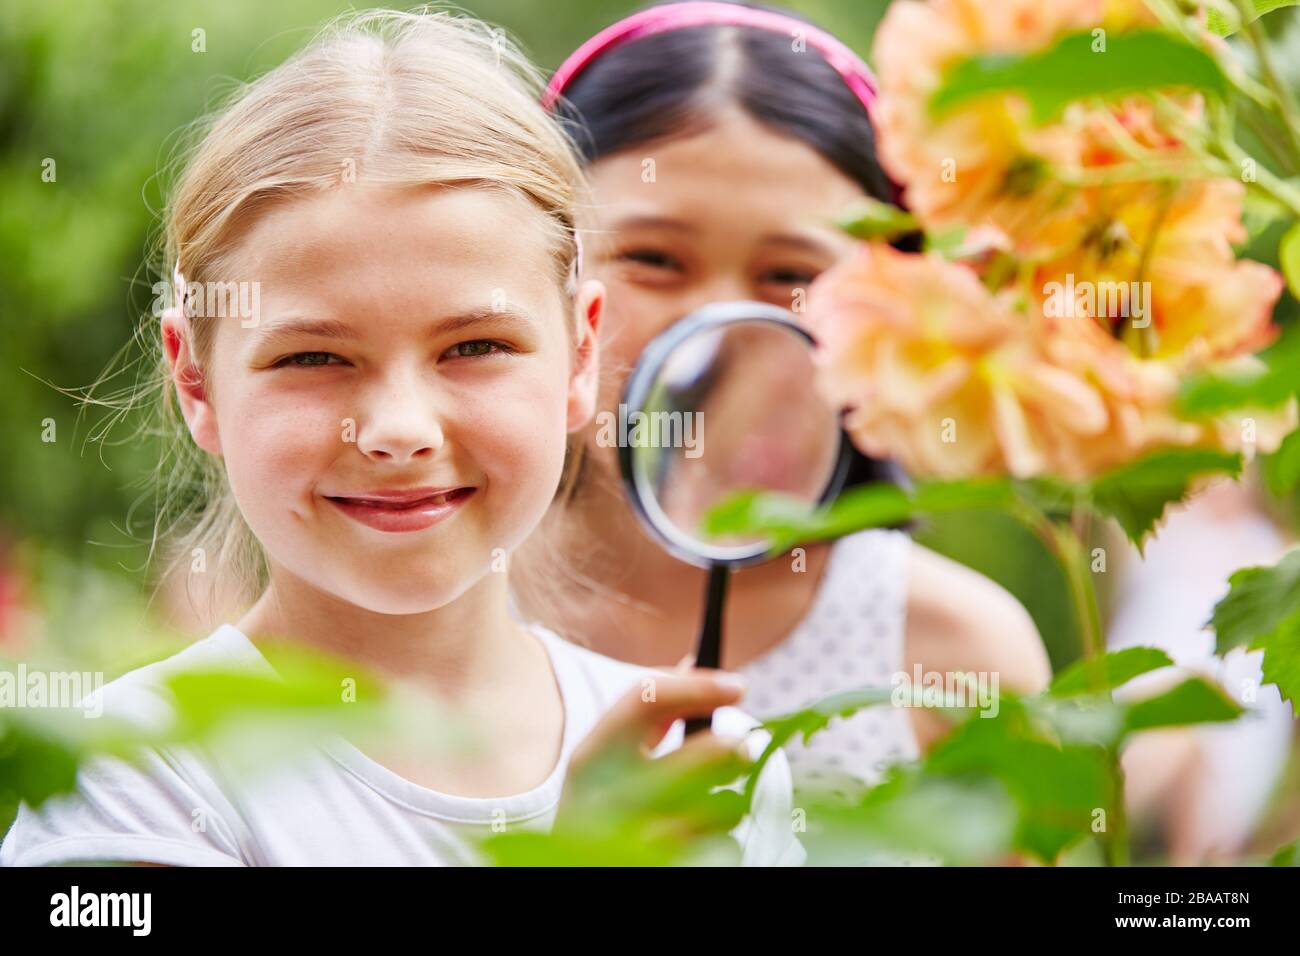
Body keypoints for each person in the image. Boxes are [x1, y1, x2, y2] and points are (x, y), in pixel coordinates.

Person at [0, 8, 801, 867]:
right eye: (313, 356)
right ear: (195, 380)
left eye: (475, 347)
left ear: (580, 355)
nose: (397, 431)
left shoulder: (706, 765)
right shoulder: (128, 780)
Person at [513, 1, 1051, 796]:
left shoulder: (957, 651)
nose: (717, 326)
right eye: (655, 258)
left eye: (791, 278)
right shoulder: (422, 606)